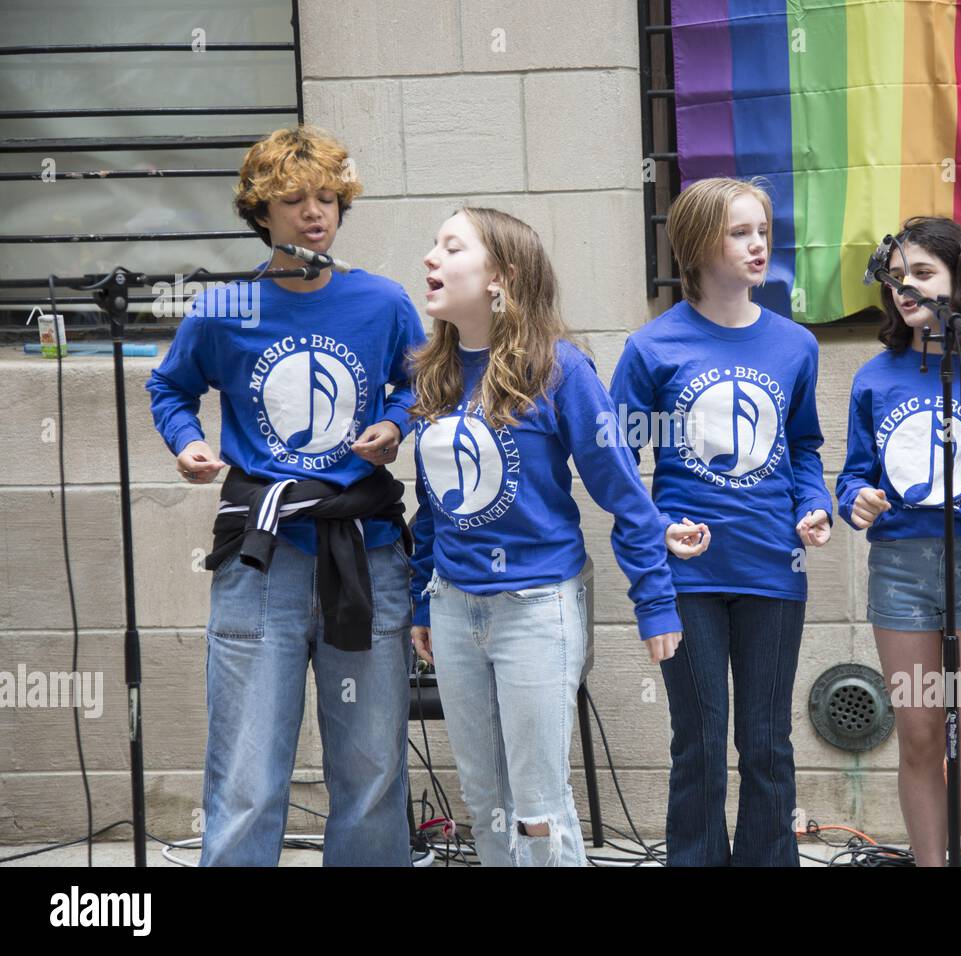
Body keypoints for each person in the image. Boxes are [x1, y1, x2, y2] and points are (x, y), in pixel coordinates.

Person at [145, 125, 426, 866]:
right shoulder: (226, 307)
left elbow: (423, 381)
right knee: (245, 773)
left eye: (327, 198)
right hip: (259, 561)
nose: (314, 213)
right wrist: (188, 443)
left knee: (371, 769)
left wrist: (396, 425)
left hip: (364, 553)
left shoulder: (382, 302)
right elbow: (169, 385)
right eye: (294, 199)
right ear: (260, 211)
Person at [406, 206, 682, 867]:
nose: (430, 259)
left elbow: (624, 492)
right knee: (485, 797)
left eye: (451, 248)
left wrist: (655, 599)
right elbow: (431, 507)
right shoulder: (434, 373)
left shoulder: (561, 369)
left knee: (536, 804)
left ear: (501, 276)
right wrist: (423, 598)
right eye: (432, 247)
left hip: (536, 608)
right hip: (453, 605)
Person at [609, 177, 833, 866]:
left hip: (774, 569)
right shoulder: (652, 348)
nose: (759, 243)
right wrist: (654, 528)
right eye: (741, 232)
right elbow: (615, 463)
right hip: (690, 578)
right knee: (700, 742)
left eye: (762, 229)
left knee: (766, 744)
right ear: (699, 242)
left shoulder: (795, 346)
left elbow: (802, 446)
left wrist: (812, 504)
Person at [835, 216, 961, 866]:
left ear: (960, 280)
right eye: (897, 276)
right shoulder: (875, 376)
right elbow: (853, 475)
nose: (906, 287)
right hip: (899, 570)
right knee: (921, 734)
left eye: (923, 273)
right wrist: (855, 500)